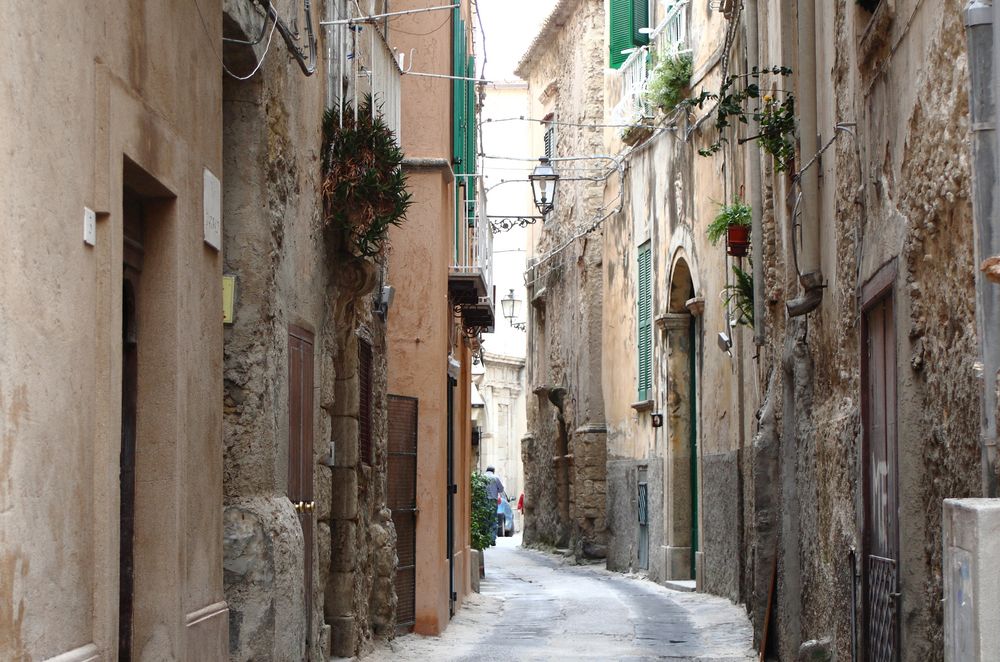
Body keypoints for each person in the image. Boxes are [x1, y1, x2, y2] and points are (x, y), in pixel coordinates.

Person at [484, 466, 505, 545]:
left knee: (485, 519)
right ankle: (492, 539)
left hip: (484, 500)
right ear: (493, 471)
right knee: (493, 519)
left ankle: (484, 539)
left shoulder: (482, 477)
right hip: (493, 500)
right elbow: (501, 489)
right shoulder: (495, 477)